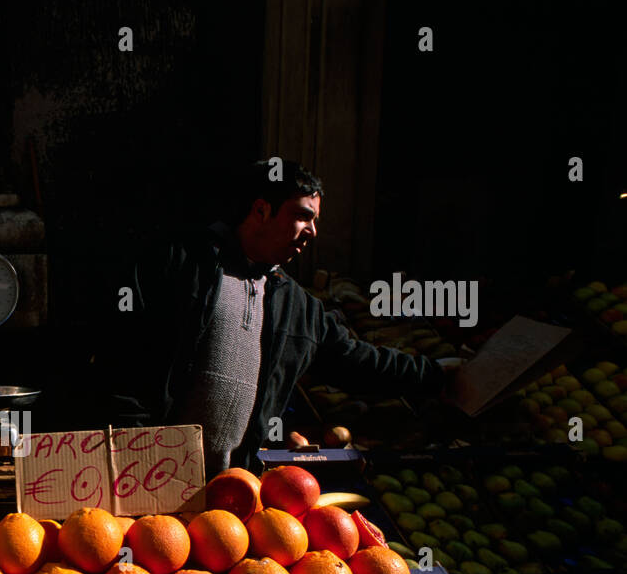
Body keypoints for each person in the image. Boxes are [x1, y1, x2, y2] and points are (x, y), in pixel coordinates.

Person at [126, 160, 450, 473]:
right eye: (302, 216)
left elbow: (355, 361)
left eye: (315, 220)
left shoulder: (297, 306)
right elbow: (124, 355)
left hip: (237, 487)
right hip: (152, 477)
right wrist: (132, 446)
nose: (312, 231)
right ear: (261, 210)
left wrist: (436, 374)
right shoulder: (181, 266)